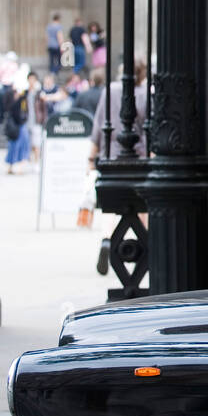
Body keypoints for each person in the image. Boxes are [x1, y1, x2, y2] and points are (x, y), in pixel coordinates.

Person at [88, 59, 149, 275]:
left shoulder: (109, 91)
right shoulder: (145, 94)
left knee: (110, 203)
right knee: (143, 204)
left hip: (111, 156)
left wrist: (90, 157)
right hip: (138, 156)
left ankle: (106, 239)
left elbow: (99, 125)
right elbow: (148, 129)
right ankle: (148, 243)